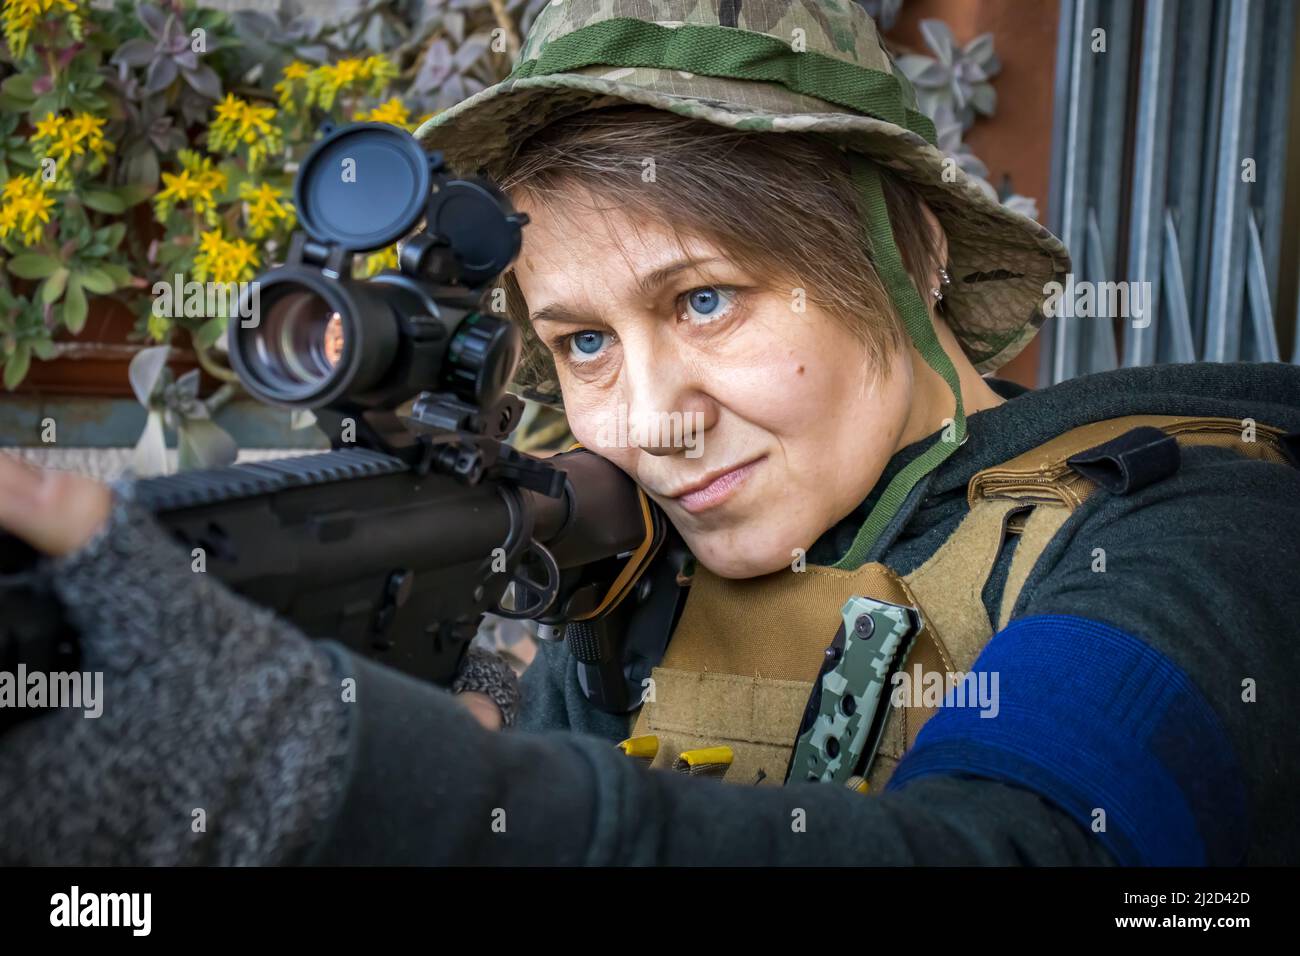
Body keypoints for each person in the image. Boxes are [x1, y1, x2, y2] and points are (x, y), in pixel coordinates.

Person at [2, 0, 1299, 866]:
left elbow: (1010, 850)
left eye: (706, 299)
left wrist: (340, 770)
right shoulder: (654, 584)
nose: (643, 421)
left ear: (910, 247)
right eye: (580, 341)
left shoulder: (1191, 526)